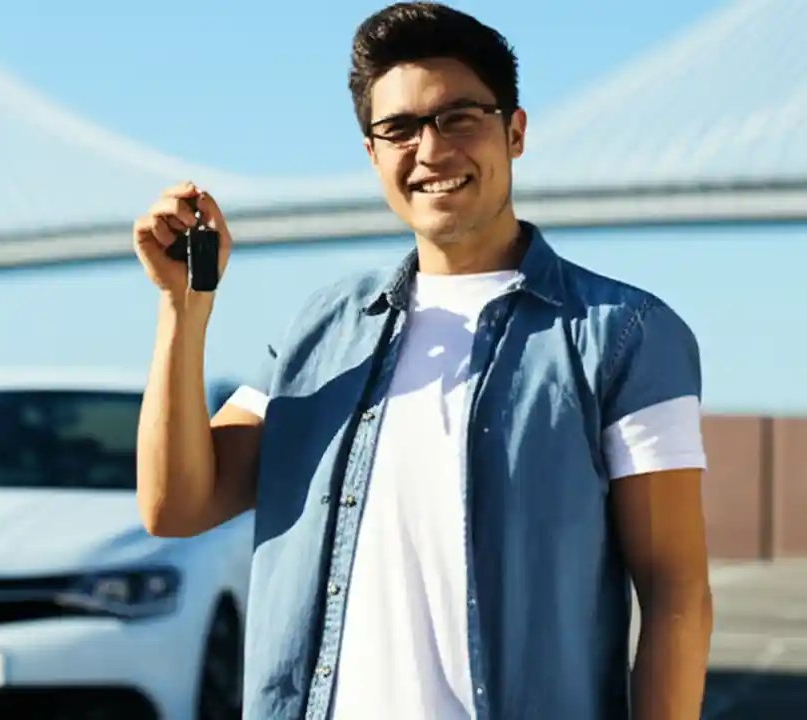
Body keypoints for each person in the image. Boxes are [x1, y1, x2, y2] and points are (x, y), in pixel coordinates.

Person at [133, 2, 713, 719]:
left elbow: (675, 594)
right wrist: (183, 311)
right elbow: (176, 506)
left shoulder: (625, 335)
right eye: (400, 128)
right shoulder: (321, 331)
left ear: (516, 132)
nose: (432, 151)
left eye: (459, 117)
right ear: (372, 153)